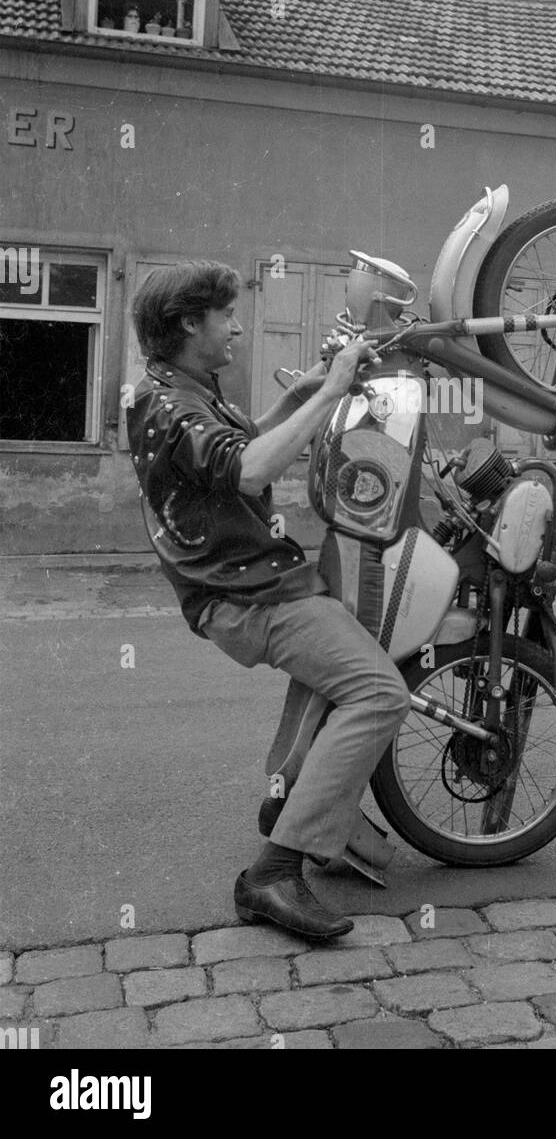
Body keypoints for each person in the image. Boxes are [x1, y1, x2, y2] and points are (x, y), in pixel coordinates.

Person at [126, 260, 410, 941]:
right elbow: (249, 467)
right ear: (191, 322)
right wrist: (337, 383)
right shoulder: (166, 404)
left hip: (255, 582)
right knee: (380, 693)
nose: (239, 326)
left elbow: (246, 438)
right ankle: (275, 872)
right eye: (227, 315)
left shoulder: (181, 389)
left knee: (339, 667)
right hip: (247, 594)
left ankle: (289, 796)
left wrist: (312, 391)